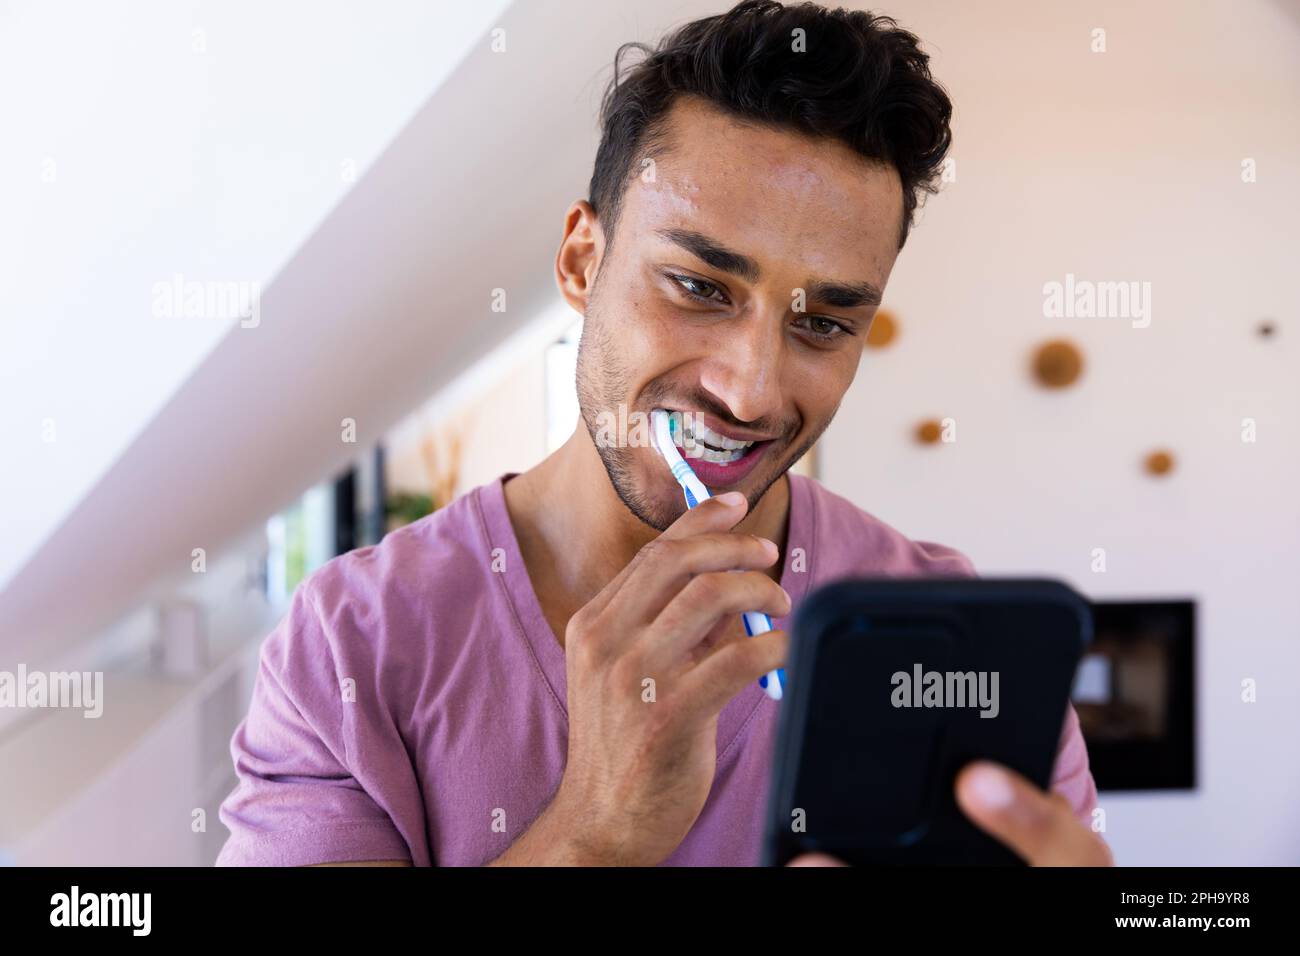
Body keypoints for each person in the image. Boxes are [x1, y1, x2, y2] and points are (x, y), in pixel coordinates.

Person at [216, 0, 1112, 867]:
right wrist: (593, 836)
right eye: (699, 287)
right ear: (580, 261)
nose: (750, 392)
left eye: (824, 324)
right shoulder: (351, 648)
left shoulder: (951, 649)